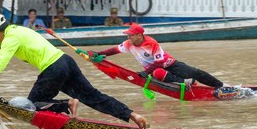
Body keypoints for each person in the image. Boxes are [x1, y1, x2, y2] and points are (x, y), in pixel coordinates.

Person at [0, 13, 147, 129]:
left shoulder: (11, 38)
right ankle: (133, 115)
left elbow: (1, 61)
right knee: (93, 96)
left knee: (32, 105)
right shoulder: (17, 30)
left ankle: (67, 104)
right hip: (65, 61)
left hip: (53, 68)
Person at [90, 23, 224, 89]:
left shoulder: (151, 43)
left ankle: (221, 86)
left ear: (139, 35)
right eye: (127, 35)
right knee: (158, 73)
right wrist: (99, 54)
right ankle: (186, 82)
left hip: (171, 64)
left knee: (196, 72)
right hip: (156, 71)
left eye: (130, 35)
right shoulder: (129, 44)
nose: (127, 37)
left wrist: (145, 72)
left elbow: (159, 62)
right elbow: (114, 50)